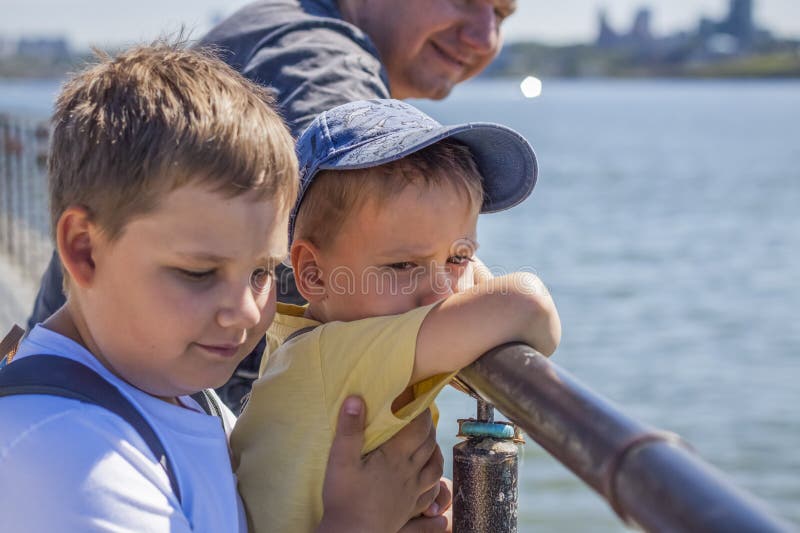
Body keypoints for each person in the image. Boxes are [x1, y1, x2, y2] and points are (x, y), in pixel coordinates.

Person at [0, 44, 446, 532]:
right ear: (86, 250)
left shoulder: (179, 392)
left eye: (261, 273)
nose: (246, 313)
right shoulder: (67, 459)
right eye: (198, 273)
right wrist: (358, 522)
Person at [27, 0, 519, 410]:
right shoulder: (320, 60)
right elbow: (367, 203)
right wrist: (471, 300)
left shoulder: (273, 27)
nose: (482, 35)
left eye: (501, 13)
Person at [232, 99, 562, 532]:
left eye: (457, 258)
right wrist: (460, 264)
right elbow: (529, 305)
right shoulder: (347, 355)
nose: (439, 291)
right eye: (403, 266)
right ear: (313, 273)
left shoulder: (299, 335)